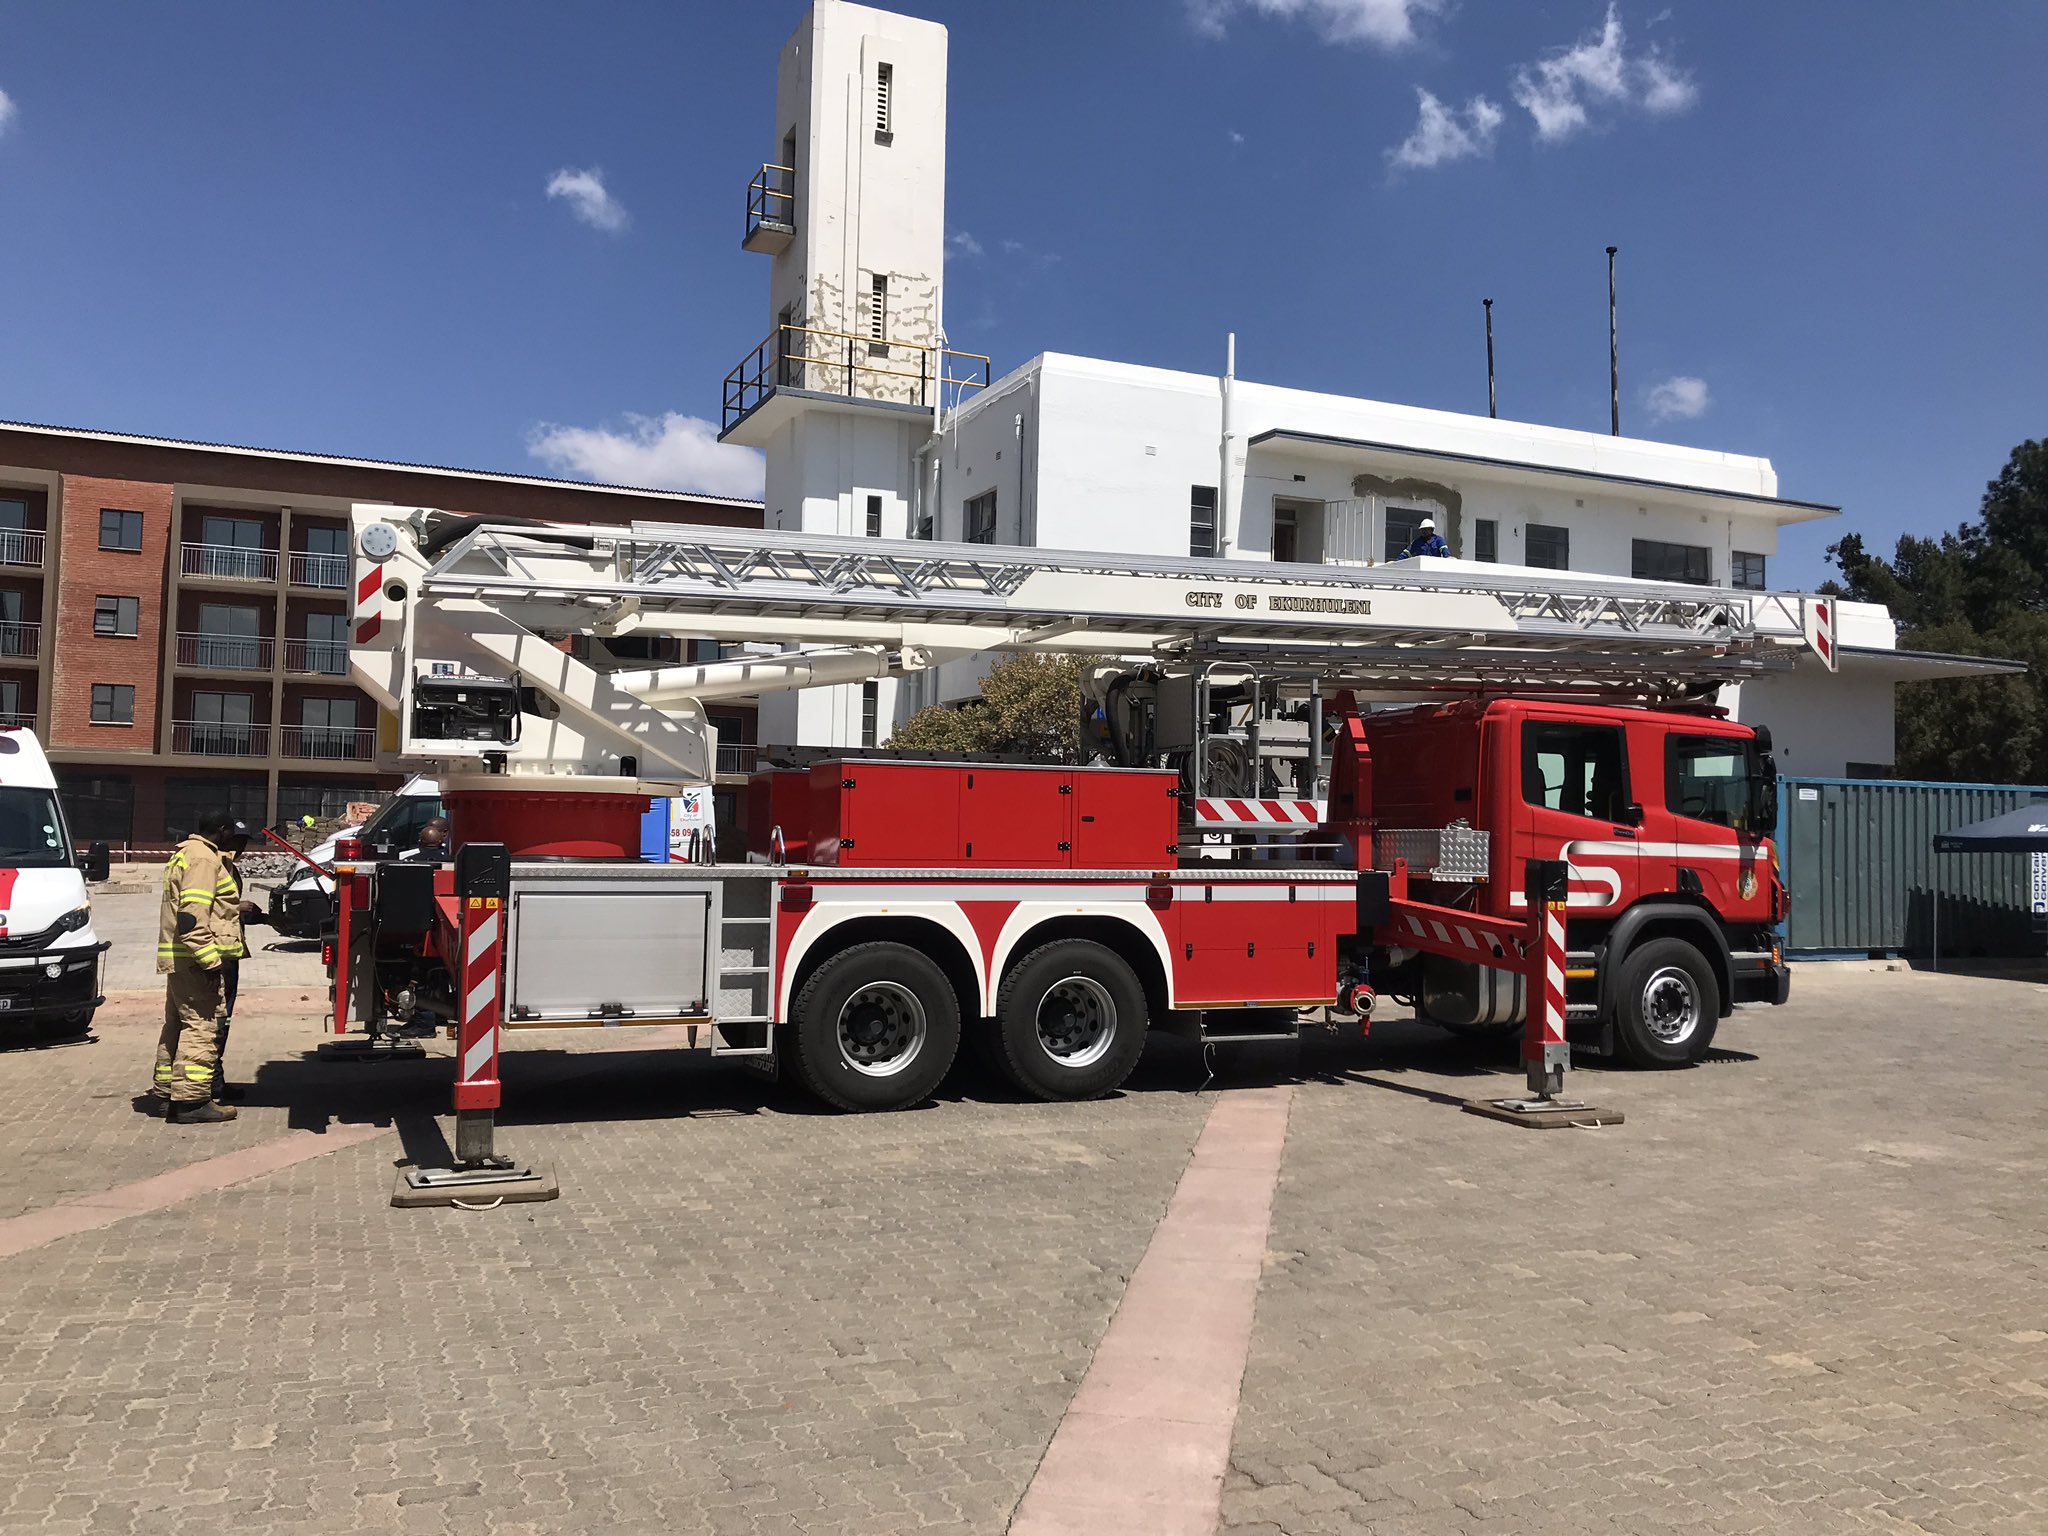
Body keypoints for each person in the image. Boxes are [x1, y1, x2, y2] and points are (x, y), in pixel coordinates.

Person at [151, 815, 251, 1125]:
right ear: (221, 831)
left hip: (181, 961)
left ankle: (166, 1094)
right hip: (196, 962)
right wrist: (210, 961)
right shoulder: (204, 860)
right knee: (201, 1027)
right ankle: (193, 1101)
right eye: (230, 834)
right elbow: (192, 918)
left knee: (176, 1025)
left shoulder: (185, 853)